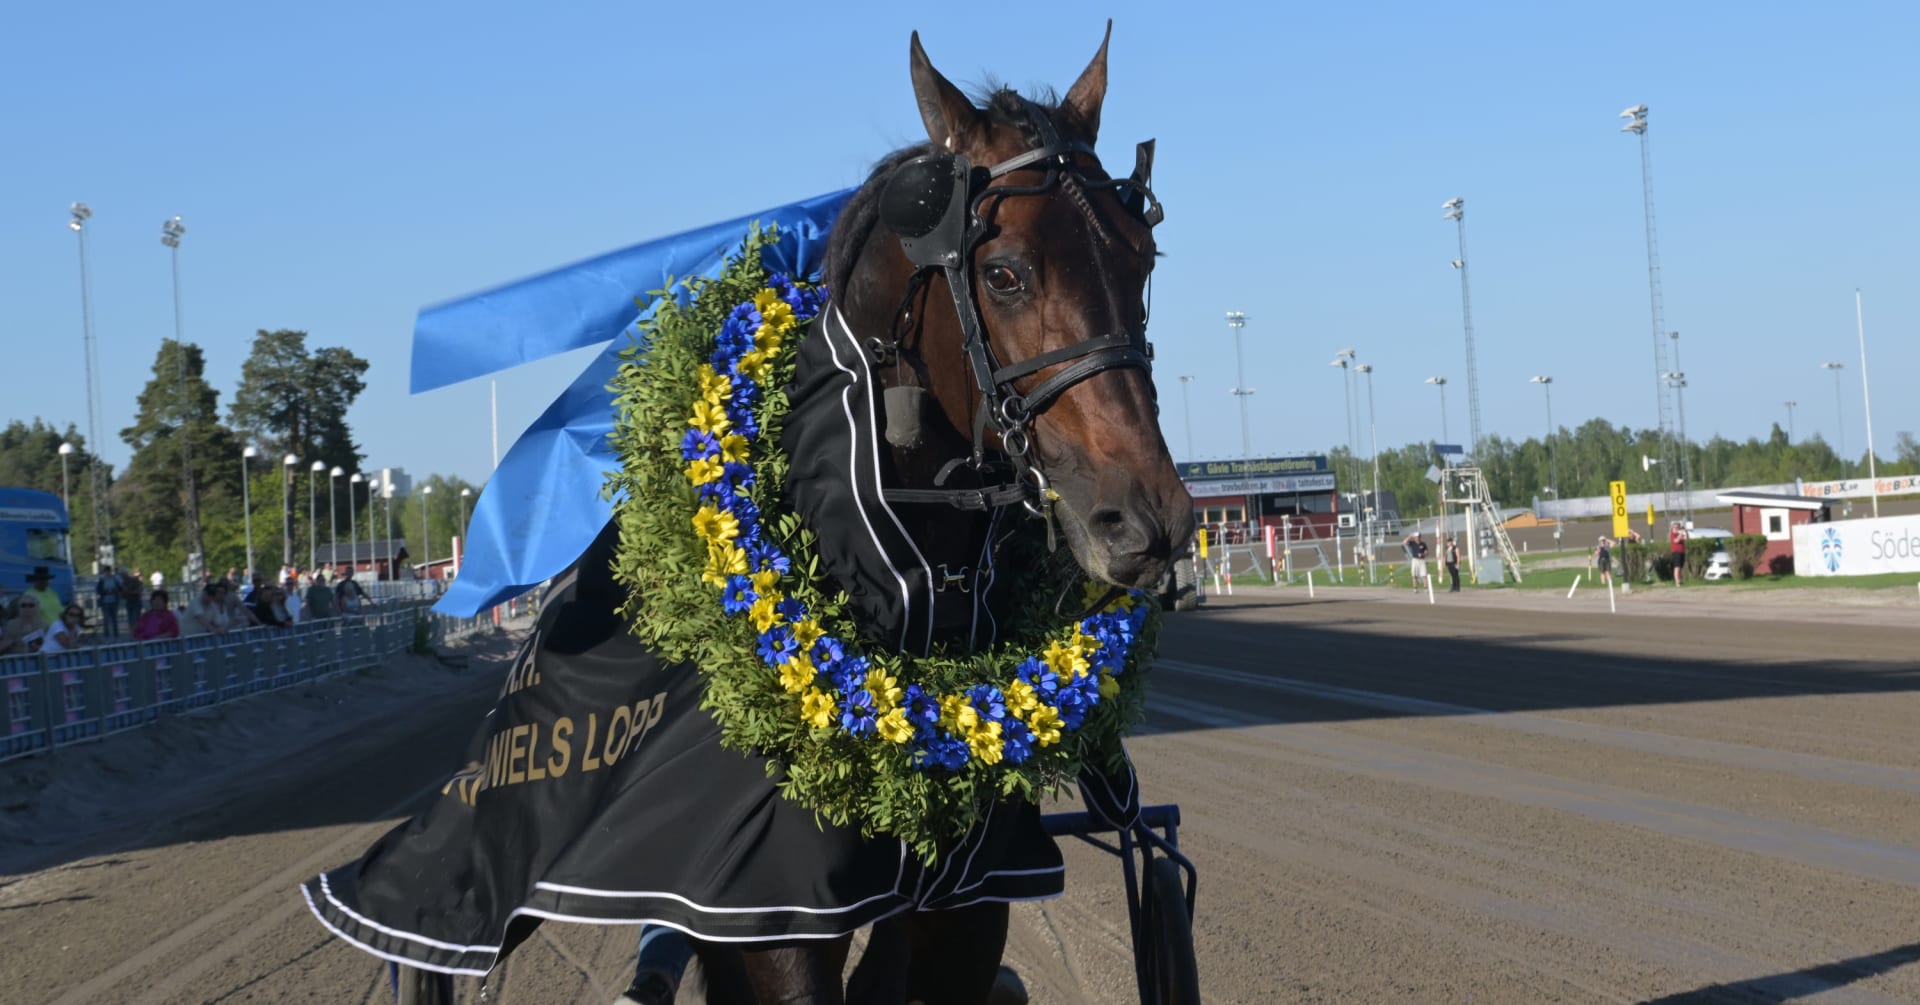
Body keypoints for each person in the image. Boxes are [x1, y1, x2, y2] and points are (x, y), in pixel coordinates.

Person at [95, 566, 125, 638]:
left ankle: (116, 634)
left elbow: (120, 589)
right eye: (106, 572)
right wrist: (106, 592)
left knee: (114, 618)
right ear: (104, 572)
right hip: (105, 602)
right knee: (106, 618)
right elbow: (98, 590)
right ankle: (106, 634)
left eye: (108, 571)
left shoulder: (115, 579)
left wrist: (114, 591)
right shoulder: (101, 580)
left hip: (114, 601)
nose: (107, 573)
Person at [1669, 521, 1688, 586]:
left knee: (1680, 567)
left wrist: (1684, 532)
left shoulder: (1679, 534)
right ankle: (1677, 582)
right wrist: (1681, 533)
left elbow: (1686, 538)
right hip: (1676, 552)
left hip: (1682, 552)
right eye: (1675, 527)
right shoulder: (1672, 534)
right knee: (1677, 567)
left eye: (1678, 527)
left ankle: (1679, 580)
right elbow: (1676, 541)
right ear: (1672, 528)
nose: (1676, 529)